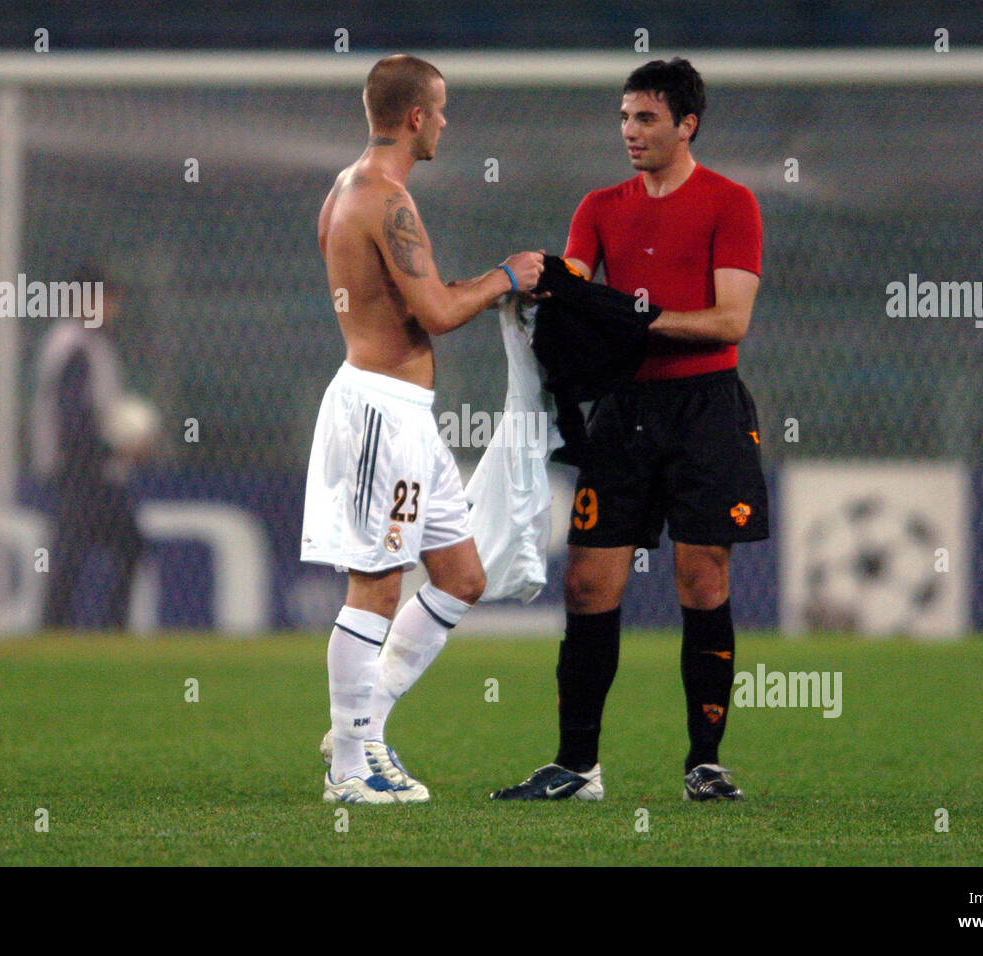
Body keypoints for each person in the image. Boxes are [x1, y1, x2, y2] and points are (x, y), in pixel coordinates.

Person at [491, 57, 768, 802]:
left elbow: (731, 320)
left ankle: (704, 763)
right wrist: (531, 292)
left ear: (687, 124)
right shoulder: (600, 205)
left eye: (645, 118)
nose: (629, 132)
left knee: (703, 576)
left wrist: (635, 319)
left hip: (707, 407)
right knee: (585, 582)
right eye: (623, 118)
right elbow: (575, 289)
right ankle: (577, 766)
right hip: (626, 412)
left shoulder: (731, 202)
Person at [304, 54, 543, 804]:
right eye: (439, 111)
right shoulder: (387, 200)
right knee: (374, 585)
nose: (444, 122)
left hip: (406, 418)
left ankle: (364, 732)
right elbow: (436, 311)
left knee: (460, 577)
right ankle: (348, 766)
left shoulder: (348, 189)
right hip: (381, 412)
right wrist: (506, 277)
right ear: (415, 117)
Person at [32, 266, 147, 630]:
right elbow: (74, 418)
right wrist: (114, 451)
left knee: (94, 549)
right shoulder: (76, 348)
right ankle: (86, 628)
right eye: (106, 300)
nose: (113, 309)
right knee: (95, 549)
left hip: (86, 468)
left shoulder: (87, 345)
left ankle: (60, 629)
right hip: (81, 470)